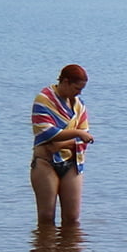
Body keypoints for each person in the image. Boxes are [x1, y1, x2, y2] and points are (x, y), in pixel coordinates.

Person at [31, 64, 92, 226]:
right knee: (46, 217)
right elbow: (46, 133)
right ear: (65, 82)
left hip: (72, 163)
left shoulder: (79, 105)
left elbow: (85, 135)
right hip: (46, 162)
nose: (79, 93)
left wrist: (59, 145)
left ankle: (69, 251)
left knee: (72, 218)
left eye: (82, 89)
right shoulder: (43, 99)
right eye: (77, 88)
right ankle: (44, 250)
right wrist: (77, 134)